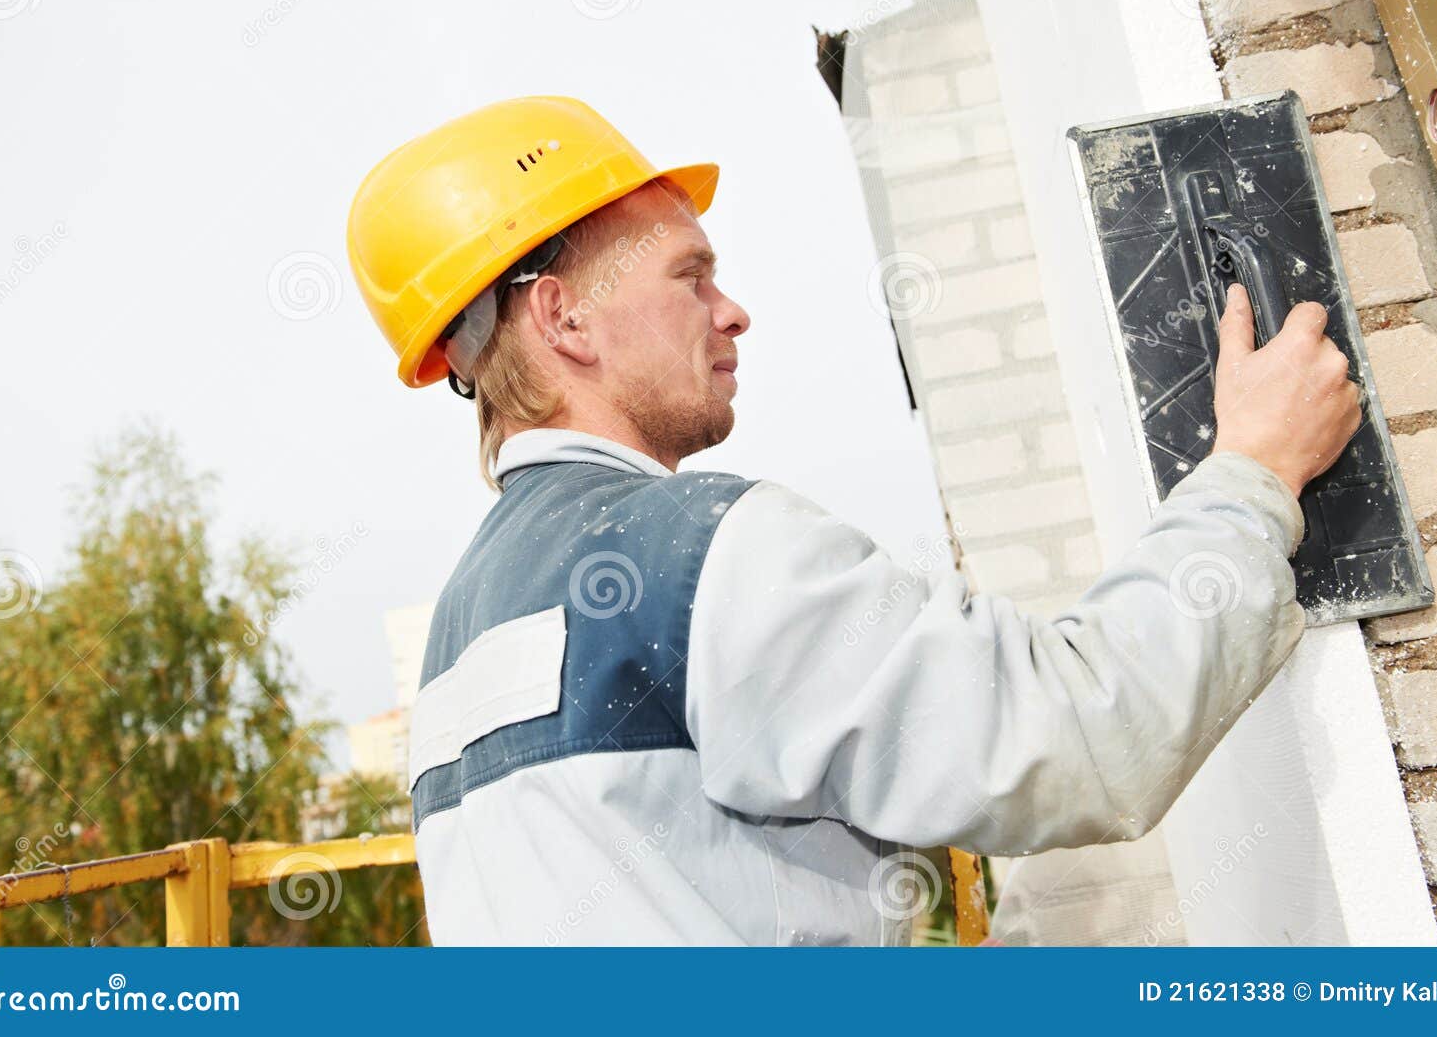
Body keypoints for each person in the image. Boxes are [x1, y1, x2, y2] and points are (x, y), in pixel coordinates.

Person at [346, 96, 1360, 944]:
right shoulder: (697, 551)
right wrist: (1252, 475)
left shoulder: (459, 636)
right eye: (689, 275)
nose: (732, 310)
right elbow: (1071, 735)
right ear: (564, 318)